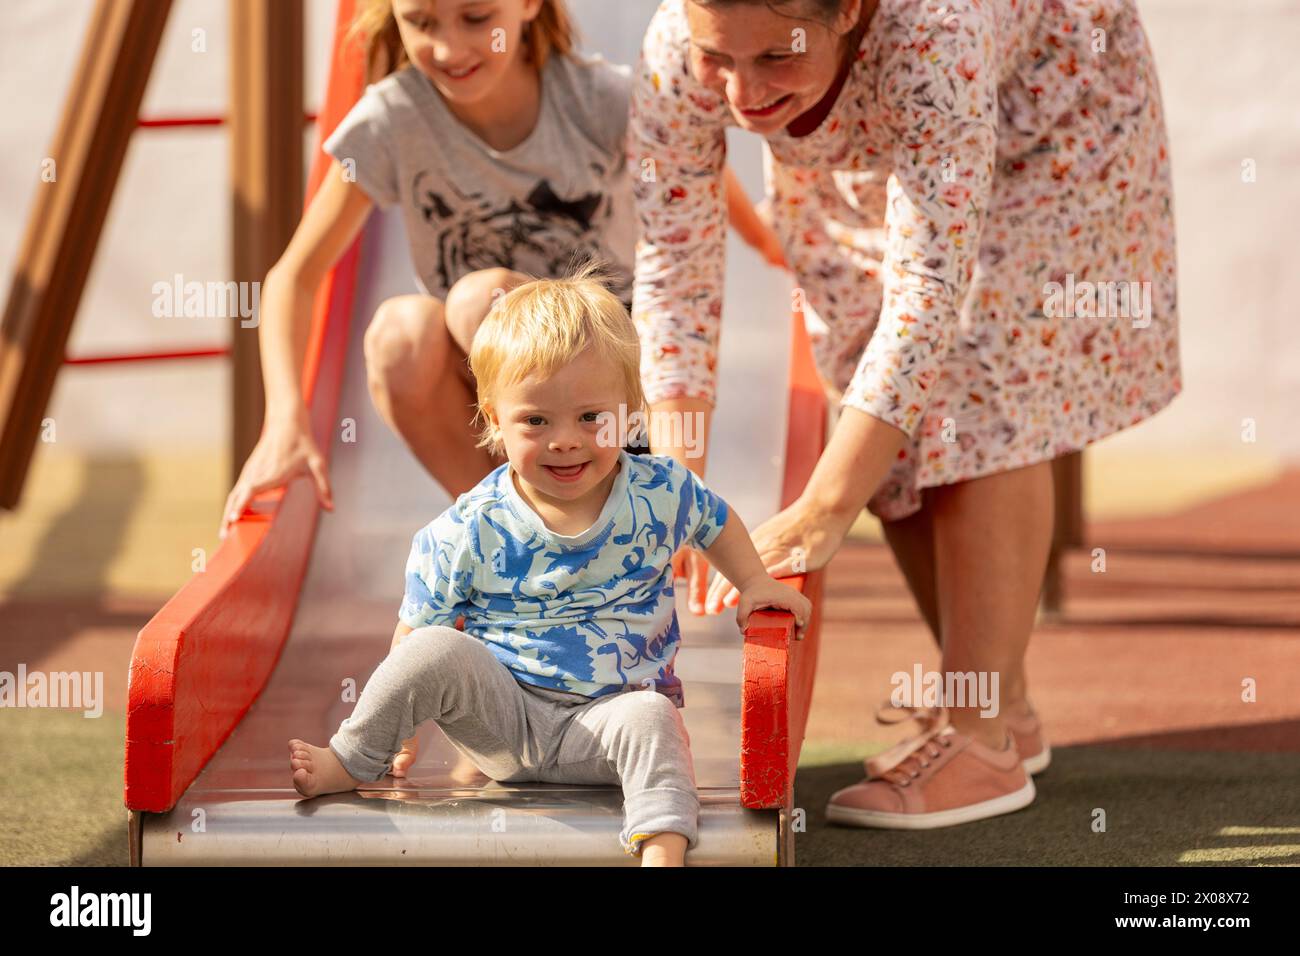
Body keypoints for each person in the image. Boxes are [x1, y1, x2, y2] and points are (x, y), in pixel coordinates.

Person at [629, 0, 1181, 827]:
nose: (741, 94)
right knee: (860, 352)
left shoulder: (934, 35)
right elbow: (676, 260)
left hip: (1051, 108)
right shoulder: (680, 42)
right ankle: (999, 701)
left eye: (777, 57)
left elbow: (930, 295)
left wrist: (823, 511)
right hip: (878, 119)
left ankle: (980, 735)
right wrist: (672, 494)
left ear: (847, 10)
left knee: (985, 369)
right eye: (722, 59)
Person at [287, 269, 812, 866]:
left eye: (592, 418)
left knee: (653, 717)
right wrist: (401, 725)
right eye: (536, 421)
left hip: (608, 724)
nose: (567, 440)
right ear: (493, 418)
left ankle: (662, 845)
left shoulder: (658, 492)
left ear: (631, 410)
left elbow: (715, 521)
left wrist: (754, 582)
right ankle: (351, 759)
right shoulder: (471, 524)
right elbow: (414, 639)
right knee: (435, 647)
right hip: (502, 723)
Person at [219, 0, 781, 538]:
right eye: (420, 22)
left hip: (607, 386)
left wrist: (765, 239)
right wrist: (285, 421)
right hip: (507, 402)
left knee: (477, 298)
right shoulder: (392, 120)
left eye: (477, 17)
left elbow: (690, 174)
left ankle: (583, 522)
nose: (448, 46)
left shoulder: (596, 99)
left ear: (530, 4)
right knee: (401, 335)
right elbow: (294, 277)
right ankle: (512, 535)